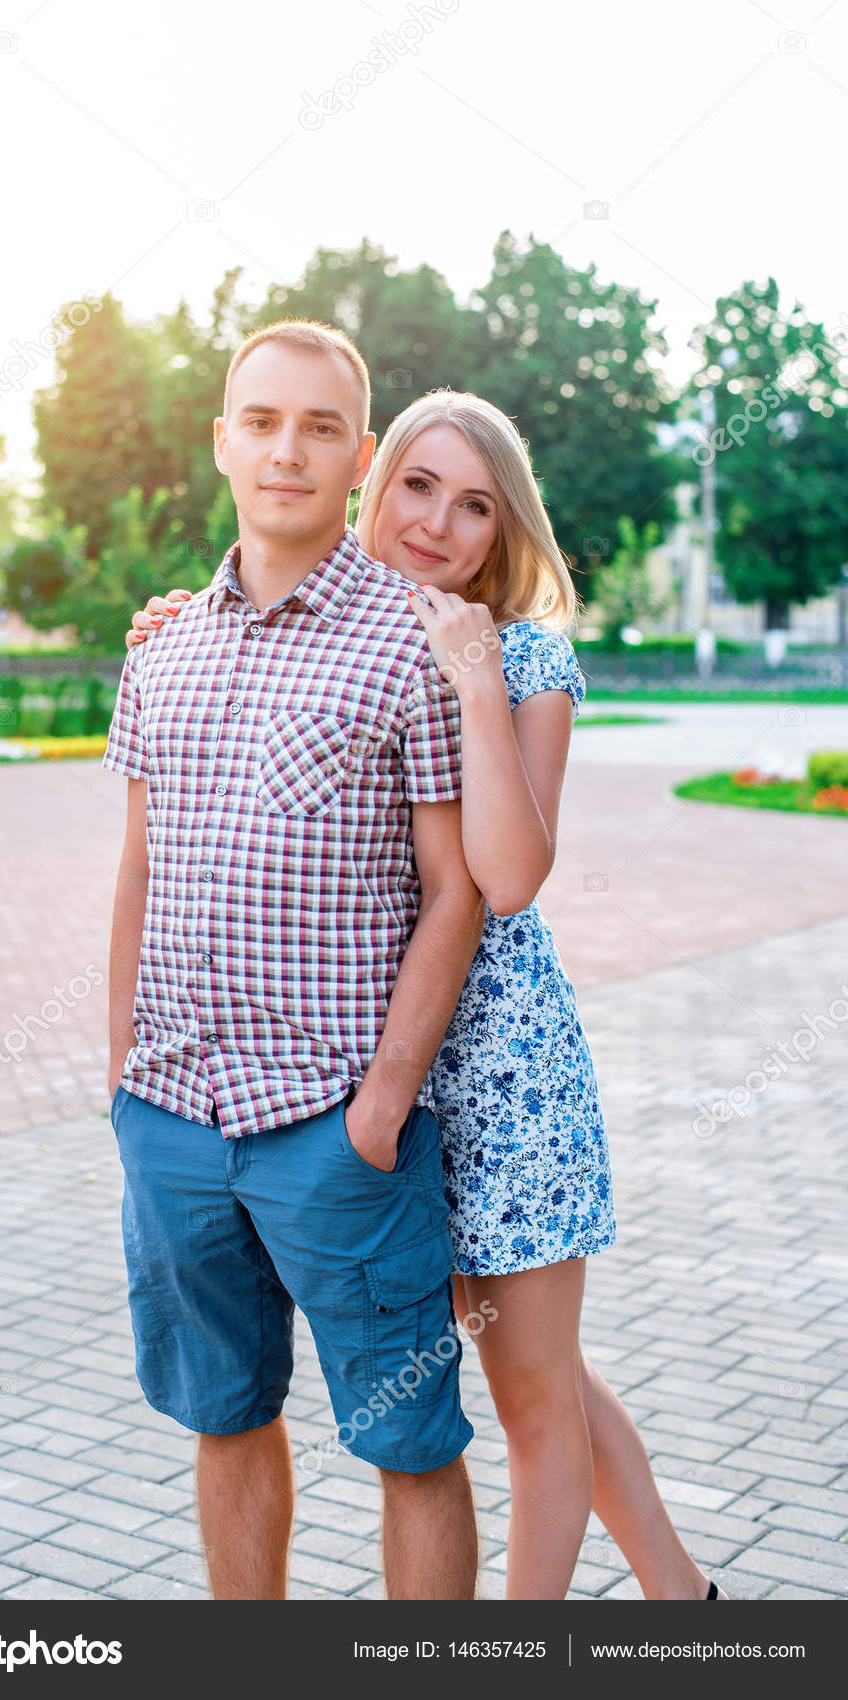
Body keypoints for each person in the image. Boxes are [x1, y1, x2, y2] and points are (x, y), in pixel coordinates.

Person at [126, 378, 730, 1603]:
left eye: (475, 505)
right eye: (418, 485)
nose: (438, 524)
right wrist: (182, 622)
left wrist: (474, 681)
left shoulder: (523, 654)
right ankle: (685, 1598)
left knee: (530, 1388)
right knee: (545, 1372)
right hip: (353, 1071)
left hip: (495, 1069)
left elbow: (507, 877)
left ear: (505, 531)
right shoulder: (327, 626)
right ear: (374, 478)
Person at [103, 319, 488, 1602]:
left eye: (321, 428)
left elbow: (457, 891)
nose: (288, 450)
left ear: (359, 457)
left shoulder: (414, 644)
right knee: (224, 1413)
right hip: (172, 1117)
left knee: (408, 1443)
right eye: (262, 421)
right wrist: (123, 1080)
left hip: (335, 1128)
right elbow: (138, 868)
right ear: (223, 442)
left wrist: (380, 1108)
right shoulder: (161, 646)